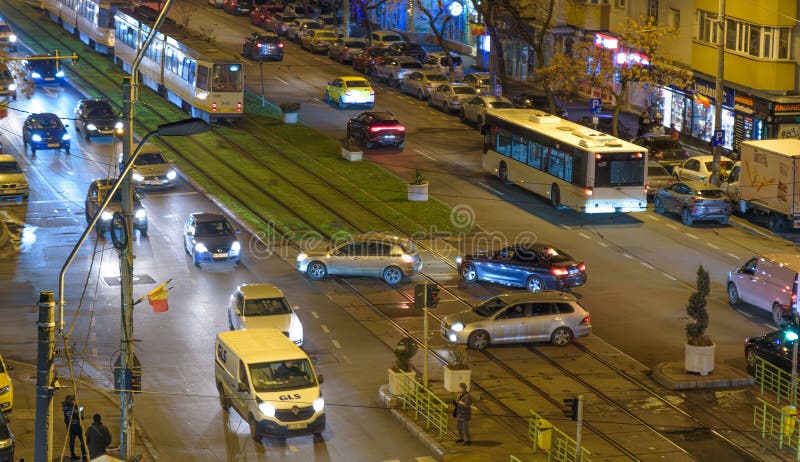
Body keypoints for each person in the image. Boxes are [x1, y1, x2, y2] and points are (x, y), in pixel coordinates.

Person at [62, 395, 87, 460]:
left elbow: (80, 416)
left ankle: (75, 455)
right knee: (81, 440)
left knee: (74, 440)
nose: (73, 401)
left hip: (71, 426)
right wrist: (79, 410)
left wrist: (80, 411)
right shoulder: (70, 407)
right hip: (75, 425)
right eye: (72, 400)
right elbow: (78, 415)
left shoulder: (66, 407)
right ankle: (83, 455)